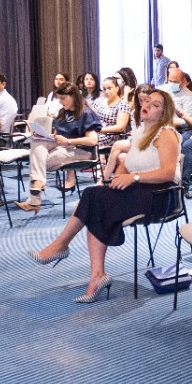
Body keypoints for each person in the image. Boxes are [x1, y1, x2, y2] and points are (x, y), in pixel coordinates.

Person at [30, 86, 181, 303]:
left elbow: (167, 173)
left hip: (161, 196)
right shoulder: (140, 132)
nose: (147, 106)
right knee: (96, 197)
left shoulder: (166, 133)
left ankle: (63, 249)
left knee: (94, 199)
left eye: (155, 105)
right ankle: (95, 274)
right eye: (147, 102)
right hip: (141, 190)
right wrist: (114, 183)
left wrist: (134, 178)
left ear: (164, 113)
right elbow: (127, 167)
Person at [17, 82, 102, 212]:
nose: (60, 102)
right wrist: (48, 136)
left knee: (38, 161)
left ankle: (34, 200)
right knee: (36, 142)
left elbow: (92, 140)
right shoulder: (63, 112)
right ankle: (37, 189)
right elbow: (57, 135)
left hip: (82, 151)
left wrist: (68, 141)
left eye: (63, 98)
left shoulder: (86, 113)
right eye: (59, 98)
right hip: (63, 146)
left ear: (73, 96)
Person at [92, 74, 131, 146]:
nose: (106, 91)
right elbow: (90, 117)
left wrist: (100, 130)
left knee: (89, 141)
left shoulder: (122, 105)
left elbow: (120, 127)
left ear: (117, 88)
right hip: (94, 132)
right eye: (104, 89)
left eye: (109, 88)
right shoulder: (98, 101)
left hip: (111, 135)